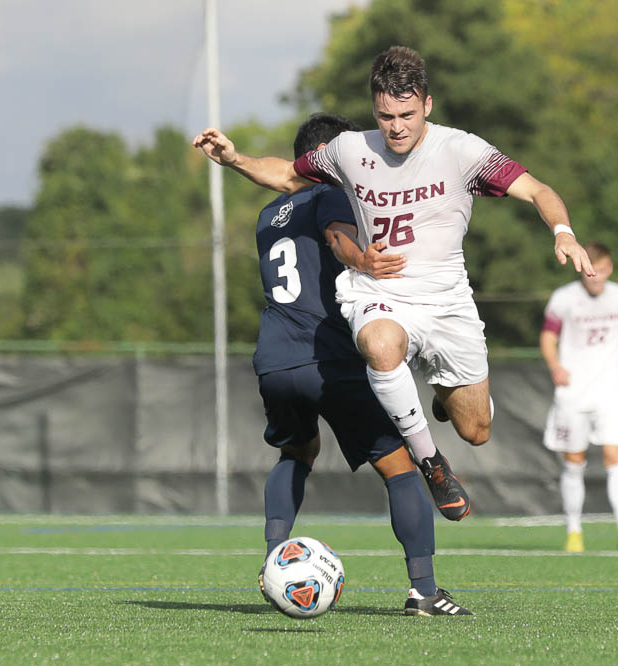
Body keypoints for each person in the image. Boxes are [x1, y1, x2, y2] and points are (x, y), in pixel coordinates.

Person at [193, 45, 594, 522]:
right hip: (378, 292)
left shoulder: (462, 150)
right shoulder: (349, 149)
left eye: (407, 114)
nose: (397, 126)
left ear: (427, 104)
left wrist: (563, 233)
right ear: (374, 109)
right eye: (385, 116)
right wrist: (234, 157)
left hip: (445, 301)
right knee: (380, 346)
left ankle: (442, 398)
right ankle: (432, 462)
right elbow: (286, 176)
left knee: (476, 429)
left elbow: (537, 189)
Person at [246, 113, 472, 616]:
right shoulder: (334, 195)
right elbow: (336, 242)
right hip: (331, 359)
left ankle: (271, 566)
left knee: (296, 455)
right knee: (401, 470)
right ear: (328, 158)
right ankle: (425, 593)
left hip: (276, 358)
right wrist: (365, 260)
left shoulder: (268, 215)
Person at [539, 241, 618, 552]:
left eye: (601, 270)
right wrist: (555, 366)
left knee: (617, 457)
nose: (595, 277)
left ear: (609, 269)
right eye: (590, 271)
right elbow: (548, 336)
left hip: (610, 392)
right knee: (574, 462)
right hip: (573, 394)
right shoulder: (564, 299)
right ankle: (574, 532)